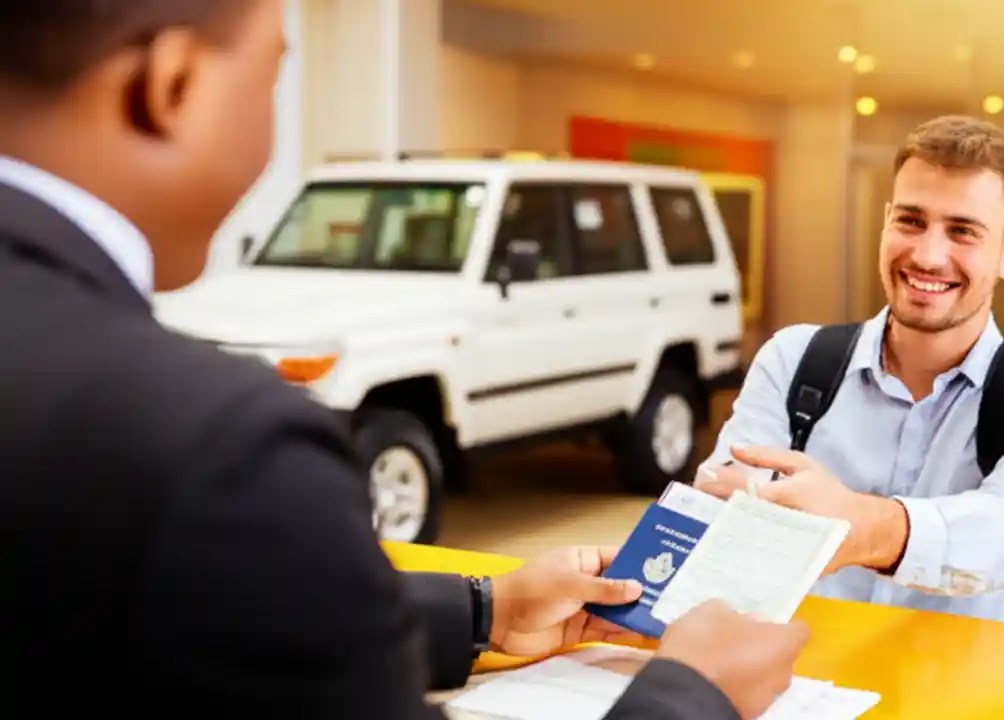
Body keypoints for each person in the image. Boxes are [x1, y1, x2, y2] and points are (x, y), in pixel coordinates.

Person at [0, 1, 807, 717]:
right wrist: (692, 696)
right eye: (273, 78)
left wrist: (483, 610)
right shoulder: (222, 447)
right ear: (171, 83)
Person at [696, 115, 1004, 629]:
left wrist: (859, 526)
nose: (928, 255)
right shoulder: (793, 360)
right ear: (886, 220)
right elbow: (721, 511)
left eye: (963, 231)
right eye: (911, 221)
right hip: (811, 683)